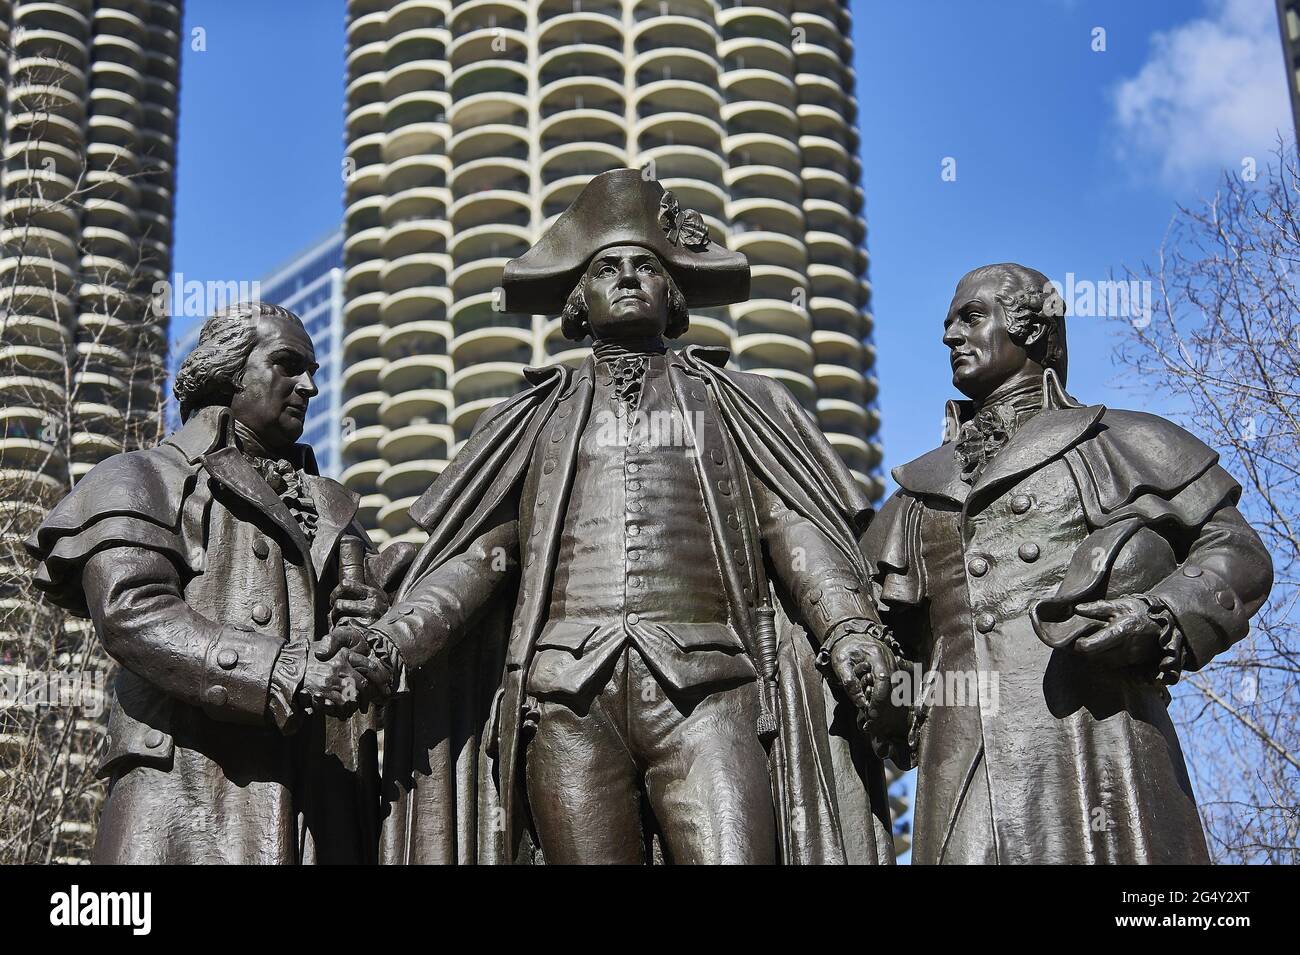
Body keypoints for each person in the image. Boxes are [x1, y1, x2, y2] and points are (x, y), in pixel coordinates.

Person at [362, 169, 897, 864]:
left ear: (672, 291)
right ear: (578, 298)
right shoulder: (537, 417)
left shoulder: (735, 403)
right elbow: (475, 560)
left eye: (645, 265)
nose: (626, 277)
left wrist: (849, 629)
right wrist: (392, 643)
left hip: (710, 689)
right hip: (566, 697)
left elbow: (796, 529)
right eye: (606, 267)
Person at [859, 263, 1273, 863]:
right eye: (948, 323)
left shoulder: (1122, 442)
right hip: (960, 753)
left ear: (1030, 327)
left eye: (971, 318)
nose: (950, 336)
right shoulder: (914, 494)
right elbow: (883, 639)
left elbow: (1237, 551)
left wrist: (1160, 617)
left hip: (1089, 728)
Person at [27, 302, 396, 863]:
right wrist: (282, 670)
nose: (310, 387)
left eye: (314, 372)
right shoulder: (143, 477)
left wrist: (374, 619)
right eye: (288, 365)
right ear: (229, 371)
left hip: (319, 807)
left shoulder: (334, 511)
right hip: (188, 797)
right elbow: (133, 614)